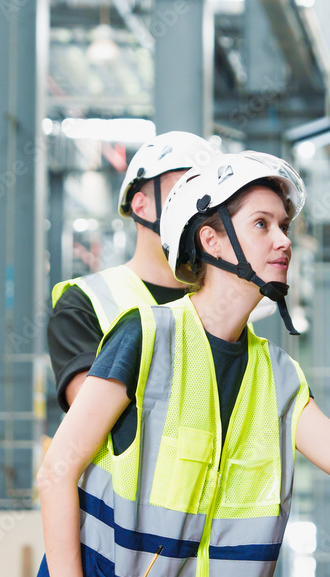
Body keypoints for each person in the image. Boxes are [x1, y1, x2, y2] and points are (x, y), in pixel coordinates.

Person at [25, 151, 330, 577]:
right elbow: (57, 471)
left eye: (284, 226)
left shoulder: (277, 375)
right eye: (263, 224)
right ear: (212, 240)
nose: (283, 241)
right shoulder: (146, 335)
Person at [47, 131, 219, 412]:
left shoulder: (224, 303)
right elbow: (91, 418)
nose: (199, 210)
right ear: (141, 206)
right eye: (183, 193)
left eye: (207, 200)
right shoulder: (84, 304)